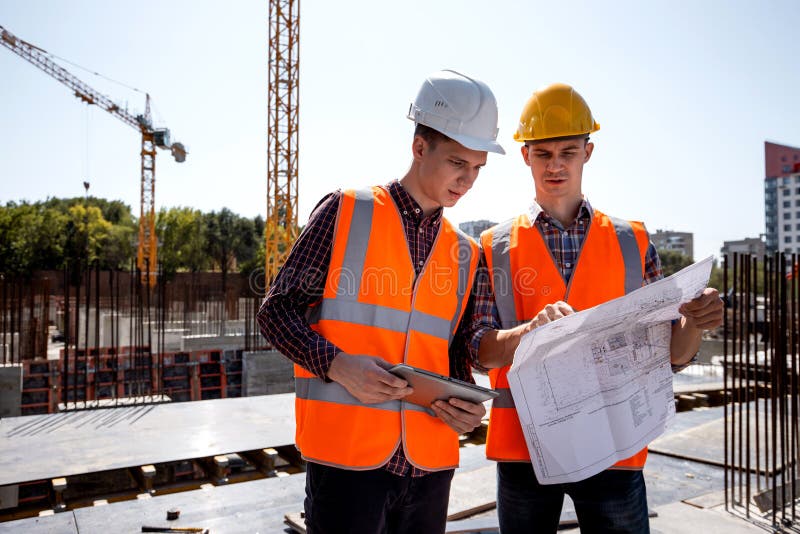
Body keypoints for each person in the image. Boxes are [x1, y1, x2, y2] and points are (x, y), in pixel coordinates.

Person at [465, 83, 724, 533]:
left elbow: (672, 355)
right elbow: (479, 351)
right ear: (526, 156)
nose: (556, 164)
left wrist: (693, 323)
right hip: (527, 448)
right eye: (543, 153)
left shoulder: (632, 241)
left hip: (616, 443)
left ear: (588, 152)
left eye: (568, 151)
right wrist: (529, 333)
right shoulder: (494, 246)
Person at [257, 69, 505, 534]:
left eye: (477, 168)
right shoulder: (347, 211)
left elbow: (452, 358)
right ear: (419, 147)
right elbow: (276, 312)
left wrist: (465, 406)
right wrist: (337, 364)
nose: (467, 180)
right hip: (348, 462)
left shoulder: (468, 253)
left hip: (430, 467)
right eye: (457, 162)